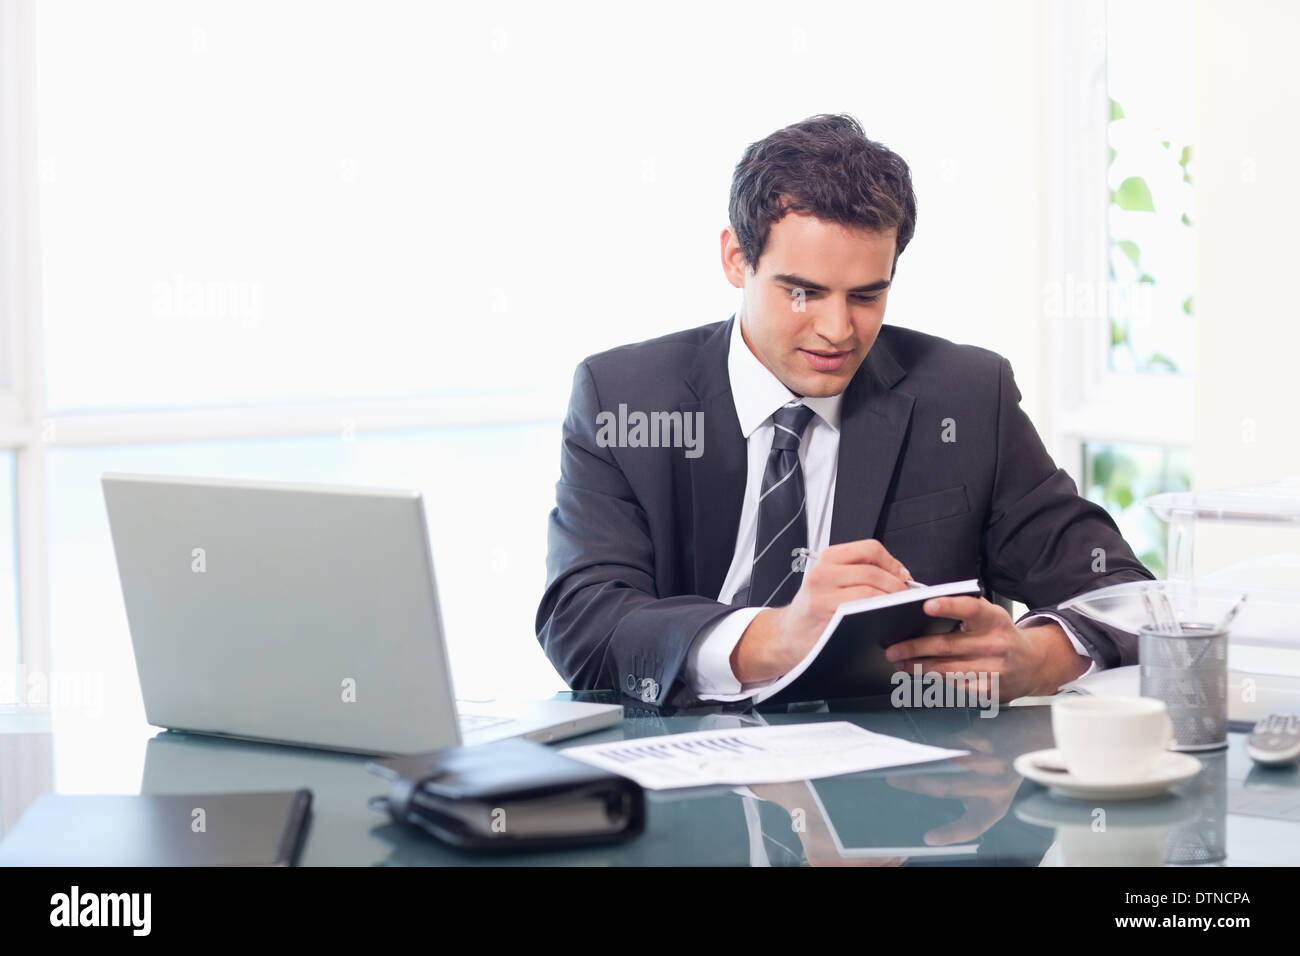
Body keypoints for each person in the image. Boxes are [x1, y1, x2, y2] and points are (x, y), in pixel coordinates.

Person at [536, 113, 1153, 708]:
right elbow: (583, 619)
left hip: (903, 784)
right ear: (735, 259)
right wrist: (773, 638)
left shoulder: (966, 397)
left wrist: (1036, 658)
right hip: (684, 771)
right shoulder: (623, 398)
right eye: (802, 292)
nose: (836, 330)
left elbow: (1124, 593)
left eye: (866, 295)